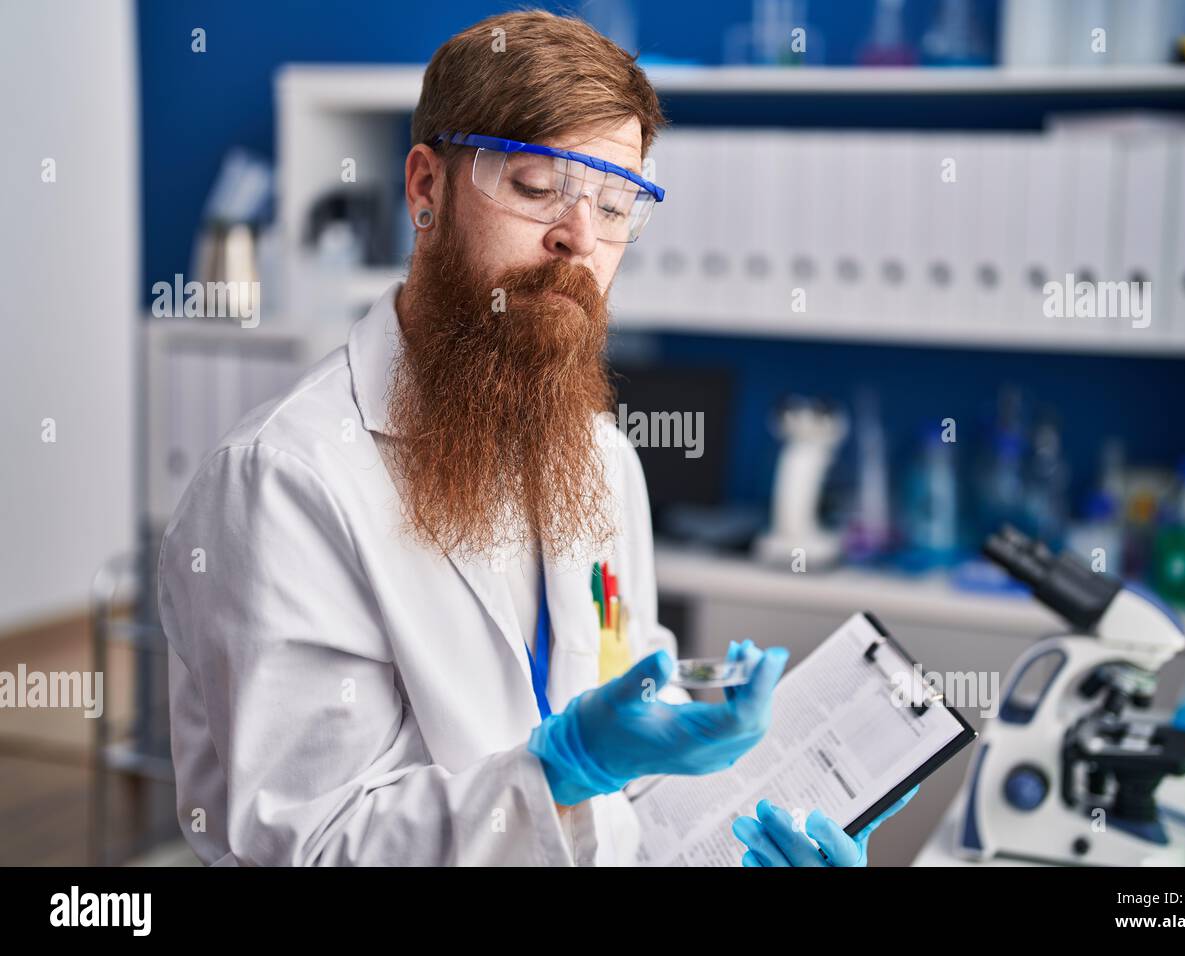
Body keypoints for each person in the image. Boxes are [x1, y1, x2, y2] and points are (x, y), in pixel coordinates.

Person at [160, 9, 912, 866]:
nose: (579, 238)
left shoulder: (600, 457)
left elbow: (629, 793)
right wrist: (563, 767)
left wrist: (753, 824)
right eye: (534, 186)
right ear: (425, 190)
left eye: (615, 201)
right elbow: (317, 846)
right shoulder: (283, 482)